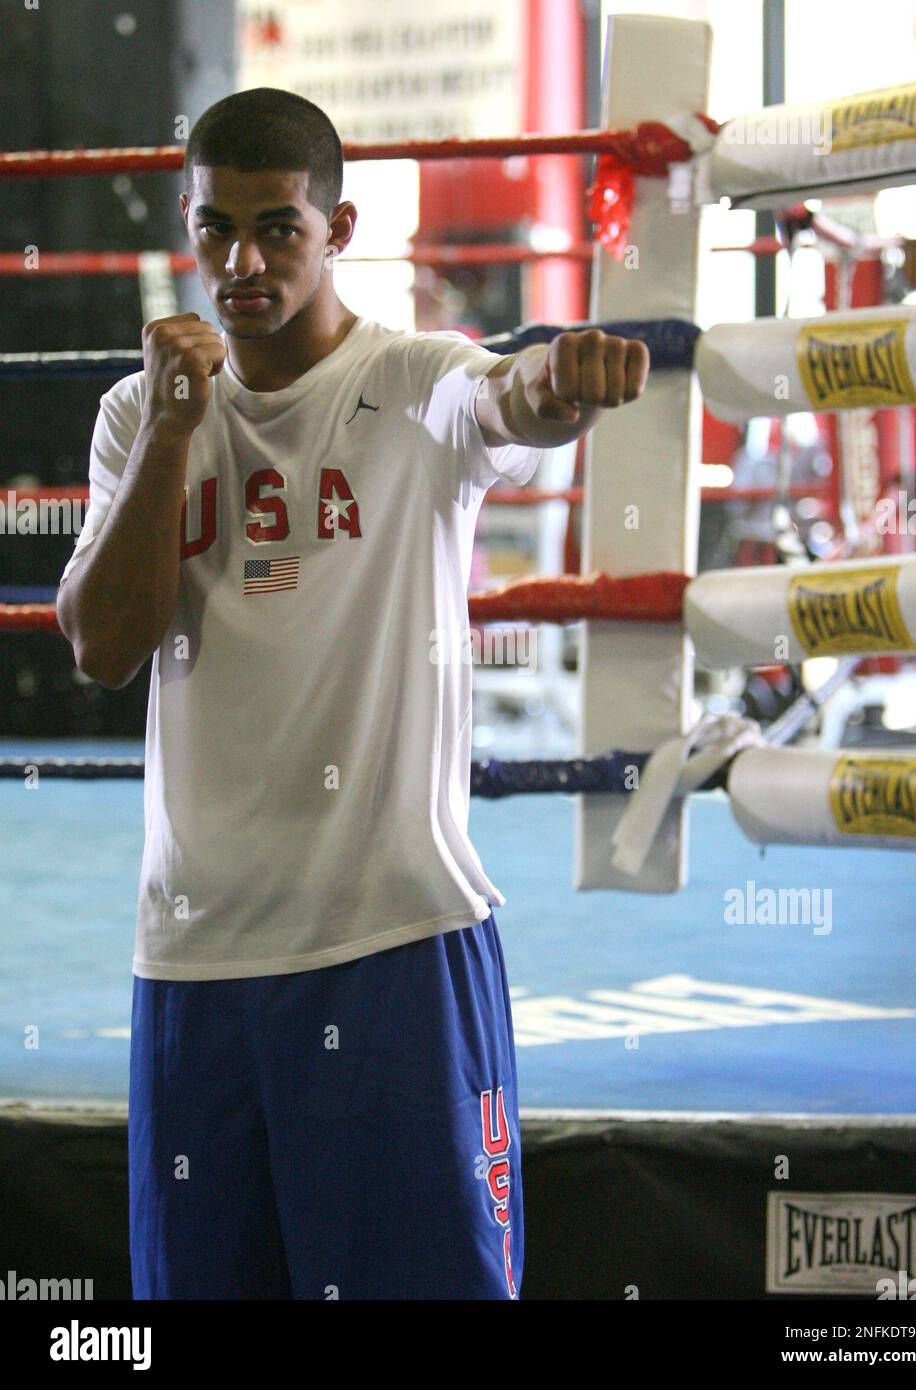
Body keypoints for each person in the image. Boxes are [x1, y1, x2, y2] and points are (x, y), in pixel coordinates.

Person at [56, 87, 649, 1300]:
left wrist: (566, 380)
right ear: (186, 223)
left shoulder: (417, 381)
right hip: (195, 958)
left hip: (393, 943)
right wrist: (176, 431)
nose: (244, 261)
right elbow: (102, 647)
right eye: (216, 228)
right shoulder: (136, 414)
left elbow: (510, 399)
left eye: (280, 228)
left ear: (340, 229)